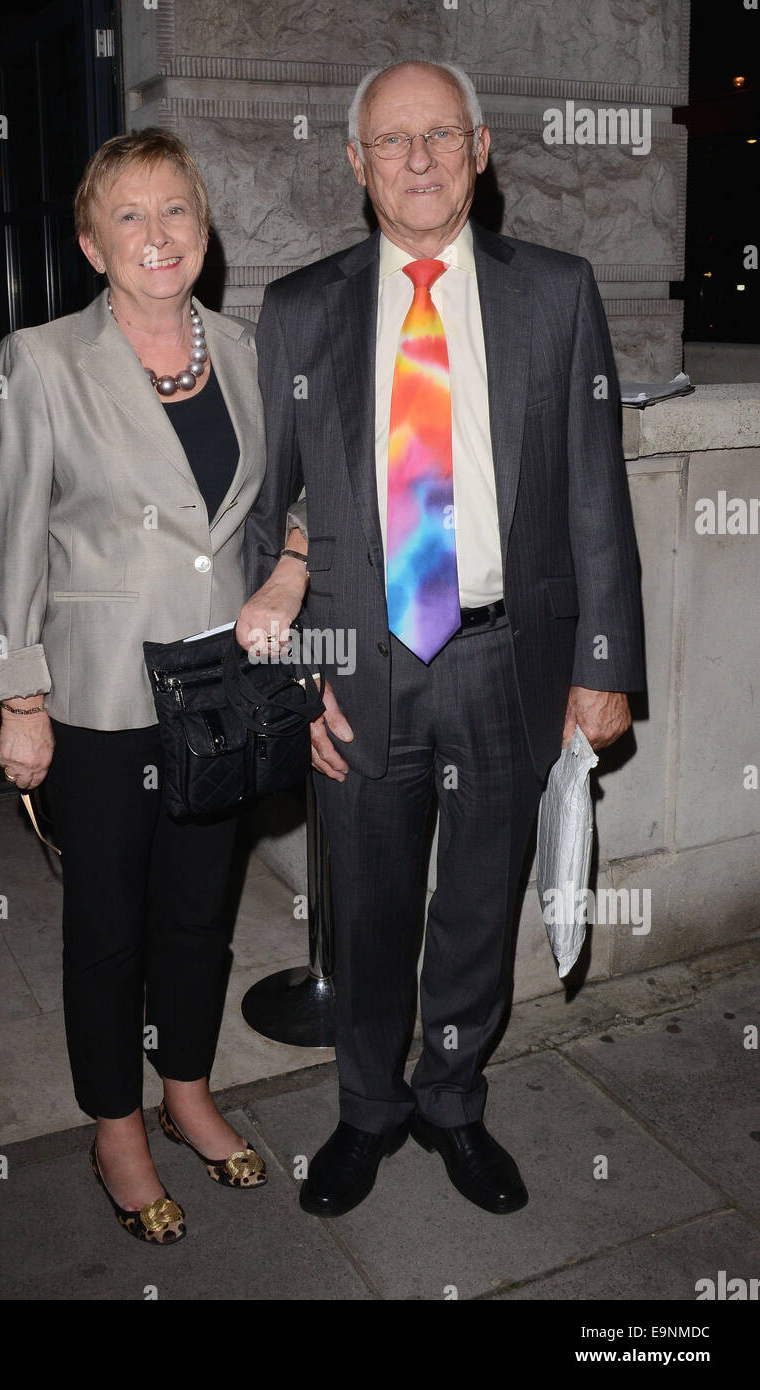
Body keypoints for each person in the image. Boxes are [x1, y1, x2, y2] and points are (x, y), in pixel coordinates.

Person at [239, 60, 645, 1219]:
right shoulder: (302, 307)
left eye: (441, 136)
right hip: (361, 665)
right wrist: (295, 682)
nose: (418, 159)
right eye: (392, 141)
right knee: (364, 905)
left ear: (480, 151)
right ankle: (366, 1108)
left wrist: (602, 666)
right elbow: (272, 520)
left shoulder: (558, 293)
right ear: (356, 164)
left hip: (506, 656)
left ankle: (453, 1098)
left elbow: (593, 493)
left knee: (478, 899)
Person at [0, 130, 271, 1246]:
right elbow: (13, 540)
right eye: (131, 217)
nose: (159, 236)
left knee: (201, 912)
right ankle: (115, 1125)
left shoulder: (247, 347)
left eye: (179, 212)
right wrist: (19, 697)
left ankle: (188, 1089)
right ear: (93, 242)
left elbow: (275, 503)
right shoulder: (42, 359)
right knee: (108, 927)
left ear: (206, 227)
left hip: (221, 689)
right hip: (98, 697)